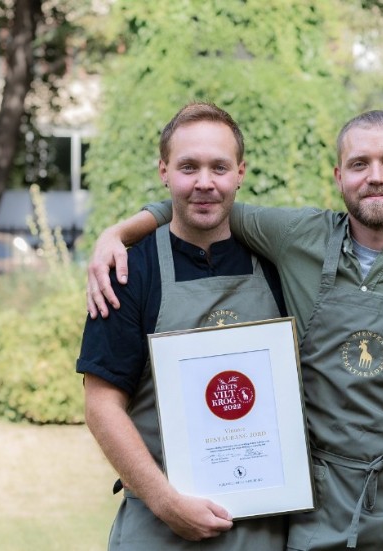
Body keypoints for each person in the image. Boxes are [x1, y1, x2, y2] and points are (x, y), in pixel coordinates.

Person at [88, 110, 383, 550]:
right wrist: (116, 233)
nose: (376, 177)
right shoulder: (297, 241)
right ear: (339, 175)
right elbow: (199, 202)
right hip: (320, 517)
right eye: (360, 164)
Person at [76, 102, 291, 549]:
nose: (205, 183)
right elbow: (101, 406)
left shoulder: (280, 265)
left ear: (240, 172)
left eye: (219, 167)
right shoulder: (125, 272)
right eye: (188, 167)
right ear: (164, 172)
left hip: (261, 528)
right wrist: (166, 502)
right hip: (158, 526)